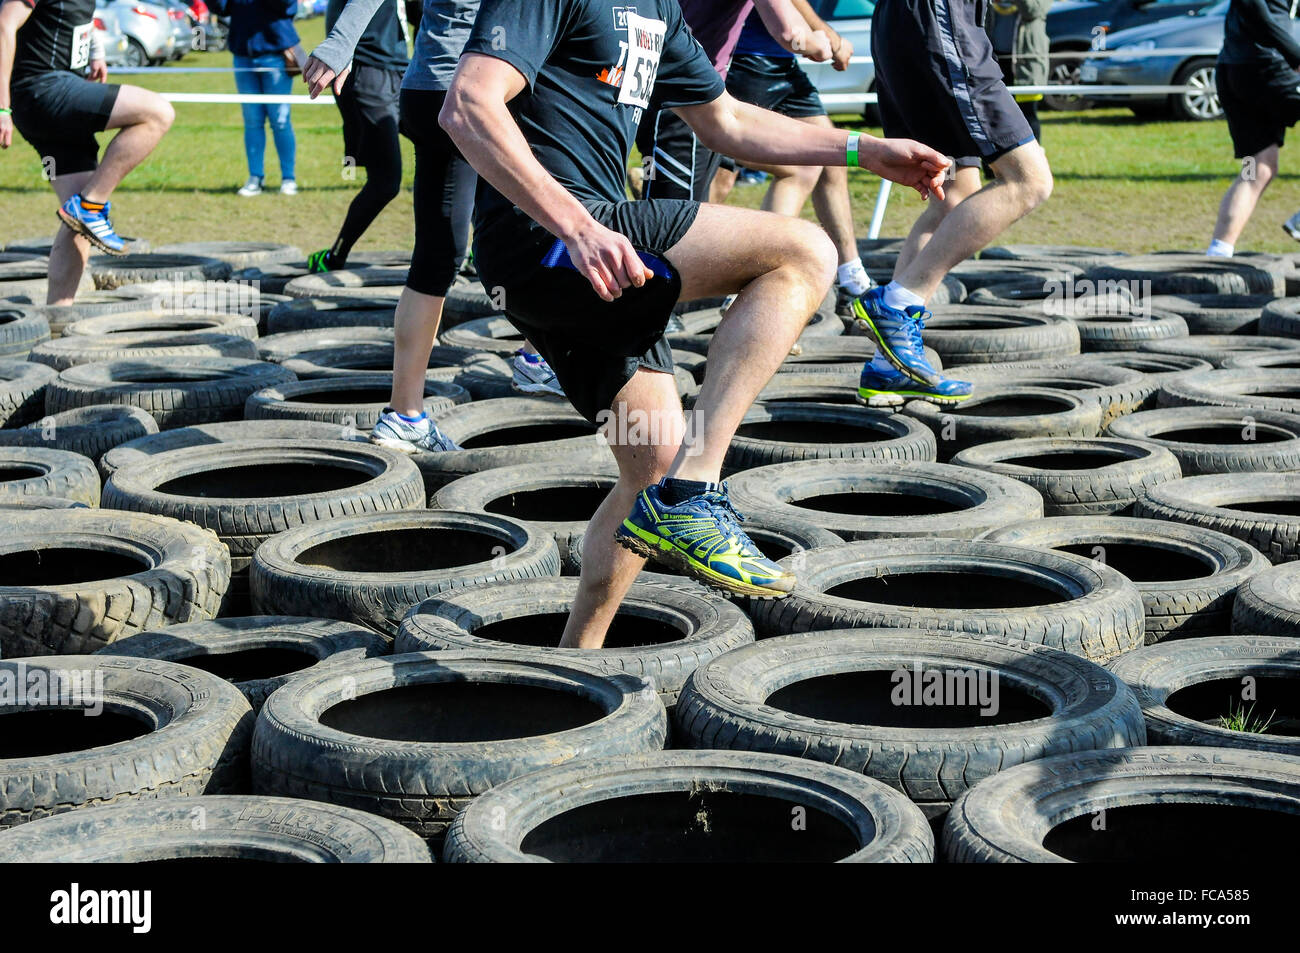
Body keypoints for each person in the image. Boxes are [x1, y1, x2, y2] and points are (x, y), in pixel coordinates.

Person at [441, 0, 947, 645]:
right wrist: (575, 225)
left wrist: (862, 148)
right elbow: (467, 104)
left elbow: (728, 122)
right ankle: (695, 494)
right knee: (804, 251)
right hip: (550, 238)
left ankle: (576, 658)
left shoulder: (660, 11)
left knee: (651, 468)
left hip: (593, 261)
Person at [304, 0, 563, 435]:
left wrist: (340, 43)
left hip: (433, 88)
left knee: (442, 255)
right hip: (474, 94)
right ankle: (535, 359)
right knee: (536, 226)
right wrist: (339, 43)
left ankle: (405, 413)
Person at [858, 0, 1053, 407]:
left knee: (953, 196)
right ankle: (897, 303)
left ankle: (889, 364)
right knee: (1029, 181)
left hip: (909, 23)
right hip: (939, 19)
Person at [0, 0, 173, 298]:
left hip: (57, 93)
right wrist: (2, 108)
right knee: (157, 112)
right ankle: (90, 206)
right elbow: (4, 26)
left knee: (78, 228)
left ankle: (57, 319)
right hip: (42, 91)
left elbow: (80, 20)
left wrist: (97, 53)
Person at [724, 1, 875, 315]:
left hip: (784, 63)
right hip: (747, 61)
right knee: (722, 177)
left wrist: (821, 38)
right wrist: (827, 38)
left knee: (831, 156)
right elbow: (791, 14)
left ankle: (852, 278)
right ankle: (747, 285)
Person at [635, 0, 829, 204]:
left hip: (674, 93)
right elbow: (791, 35)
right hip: (684, 101)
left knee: (686, 211)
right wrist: (820, 44)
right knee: (672, 219)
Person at [306, 0, 410, 272]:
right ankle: (335, 257)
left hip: (407, 71)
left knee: (453, 156)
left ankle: (460, 251)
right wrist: (337, 53)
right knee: (386, 183)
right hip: (367, 73)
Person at [1207, 0, 1300, 257]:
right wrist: (1295, 54)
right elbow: (1254, 8)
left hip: (1236, 72)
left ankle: (1219, 252)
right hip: (1267, 70)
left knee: (1257, 168)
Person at [210, 0, 300, 196]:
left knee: (281, 121)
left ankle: (288, 178)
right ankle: (255, 178)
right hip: (242, 56)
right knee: (252, 121)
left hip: (275, 55)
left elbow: (288, 6)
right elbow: (220, 7)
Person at [986, 0, 1050, 145]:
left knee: (1027, 114)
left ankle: (1033, 159)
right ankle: (994, 164)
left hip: (1026, 63)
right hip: (995, 58)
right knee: (996, 114)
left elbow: (1034, 10)